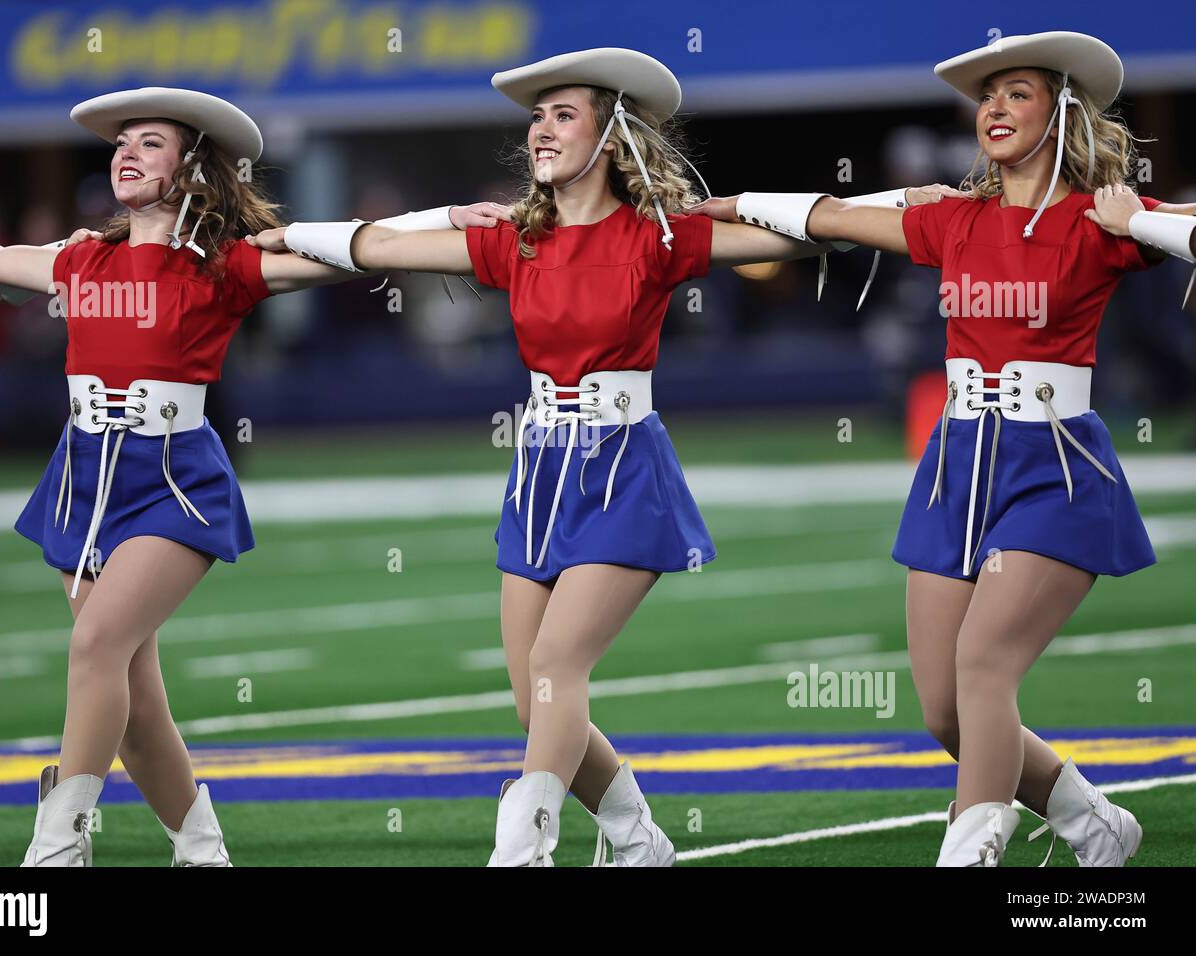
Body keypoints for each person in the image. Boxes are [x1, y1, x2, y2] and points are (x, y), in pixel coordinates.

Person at [251, 48, 949, 866]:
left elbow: (805, 238)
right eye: (537, 117)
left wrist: (903, 203)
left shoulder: (656, 237)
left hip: (624, 469)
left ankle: (523, 841)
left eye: (563, 115)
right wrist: (292, 234)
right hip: (539, 473)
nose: (541, 131)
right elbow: (379, 249)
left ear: (612, 137)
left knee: (556, 665)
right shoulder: (514, 241)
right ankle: (636, 836)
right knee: (534, 699)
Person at [0, 86, 508, 866]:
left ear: (190, 166)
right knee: (135, 700)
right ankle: (202, 848)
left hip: (171, 479)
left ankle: (57, 843)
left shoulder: (227, 265)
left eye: (148, 142)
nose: (126, 152)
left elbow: (359, 247)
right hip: (84, 478)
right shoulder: (79, 259)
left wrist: (444, 219)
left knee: (93, 648)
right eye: (121, 141)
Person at [688, 31, 1196, 866]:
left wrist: (1139, 217)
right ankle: (1093, 820)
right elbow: (830, 217)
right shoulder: (953, 219)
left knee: (984, 665)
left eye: (1017, 93)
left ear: (1061, 111)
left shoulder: (1098, 219)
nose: (994, 109)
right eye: (987, 97)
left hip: (1055, 466)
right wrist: (731, 204)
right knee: (945, 710)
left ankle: (970, 846)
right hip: (955, 466)